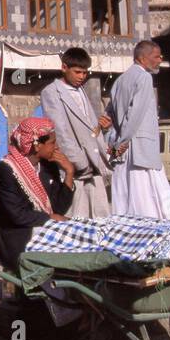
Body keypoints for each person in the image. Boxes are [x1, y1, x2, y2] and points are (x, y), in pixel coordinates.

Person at [0, 117, 75, 275]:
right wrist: (50, 219)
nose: (56, 147)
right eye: (52, 143)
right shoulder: (8, 169)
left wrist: (69, 173)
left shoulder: (47, 166)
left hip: (42, 229)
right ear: (37, 145)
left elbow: (59, 208)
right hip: (20, 236)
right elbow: (17, 215)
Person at [39, 47, 112, 221]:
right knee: (75, 218)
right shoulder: (51, 92)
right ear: (64, 68)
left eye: (84, 73)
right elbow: (61, 132)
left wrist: (103, 129)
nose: (82, 76)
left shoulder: (81, 91)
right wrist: (78, 163)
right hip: (76, 167)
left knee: (99, 218)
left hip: (94, 165)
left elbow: (90, 129)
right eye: (77, 72)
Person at [107, 41, 170, 220]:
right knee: (148, 197)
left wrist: (118, 143)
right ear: (142, 58)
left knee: (127, 194)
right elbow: (134, 114)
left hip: (126, 147)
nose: (160, 60)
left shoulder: (120, 80)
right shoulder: (144, 77)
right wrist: (123, 141)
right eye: (156, 56)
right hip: (138, 148)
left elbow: (112, 114)